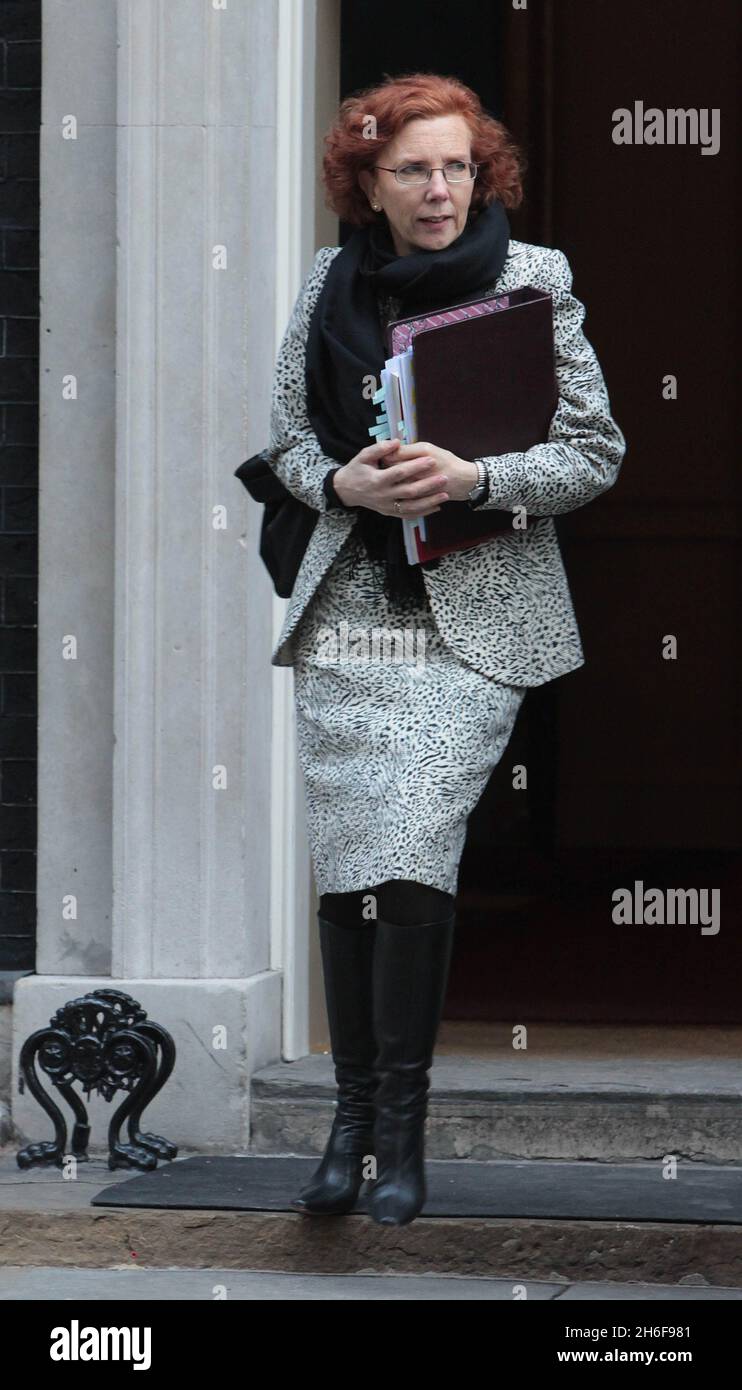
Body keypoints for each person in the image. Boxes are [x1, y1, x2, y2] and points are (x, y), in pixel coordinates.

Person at [266, 72, 626, 1226]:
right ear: (366, 181)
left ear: (485, 175)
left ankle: (399, 1139)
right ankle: (346, 1127)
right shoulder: (330, 282)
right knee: (347, 875)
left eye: (458, 167)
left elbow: (593, 451)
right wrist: (338, 478)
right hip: (350, 621)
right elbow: (282, 441)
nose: (439, 188)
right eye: (412, 168)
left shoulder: (533, 281)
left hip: (468, 626)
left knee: (411, 861)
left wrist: (476, 478)